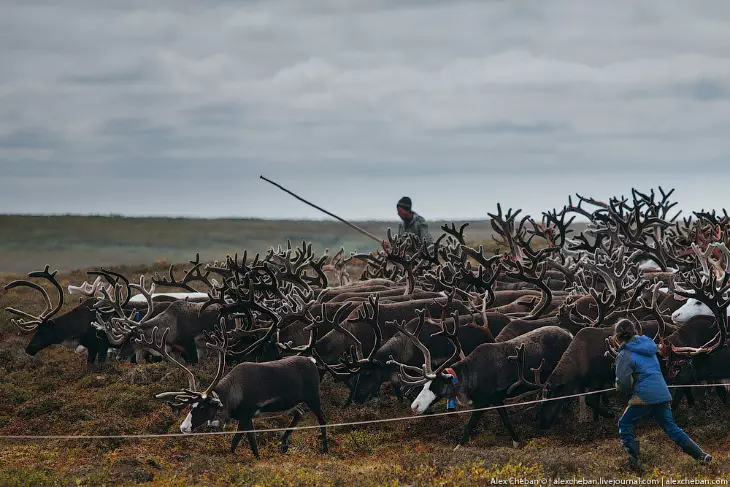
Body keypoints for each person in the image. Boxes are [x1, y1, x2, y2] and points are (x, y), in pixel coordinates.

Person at [614, 319, 711, 471]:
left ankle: (635, 462)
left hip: (643, 395)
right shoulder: (649, 347)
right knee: (671, 427)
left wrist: (619, 387)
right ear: (635, 332)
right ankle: (702, 456)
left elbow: (623, 383)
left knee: (624, 423)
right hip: (662, 392)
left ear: (617, 337)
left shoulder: (625, 354)